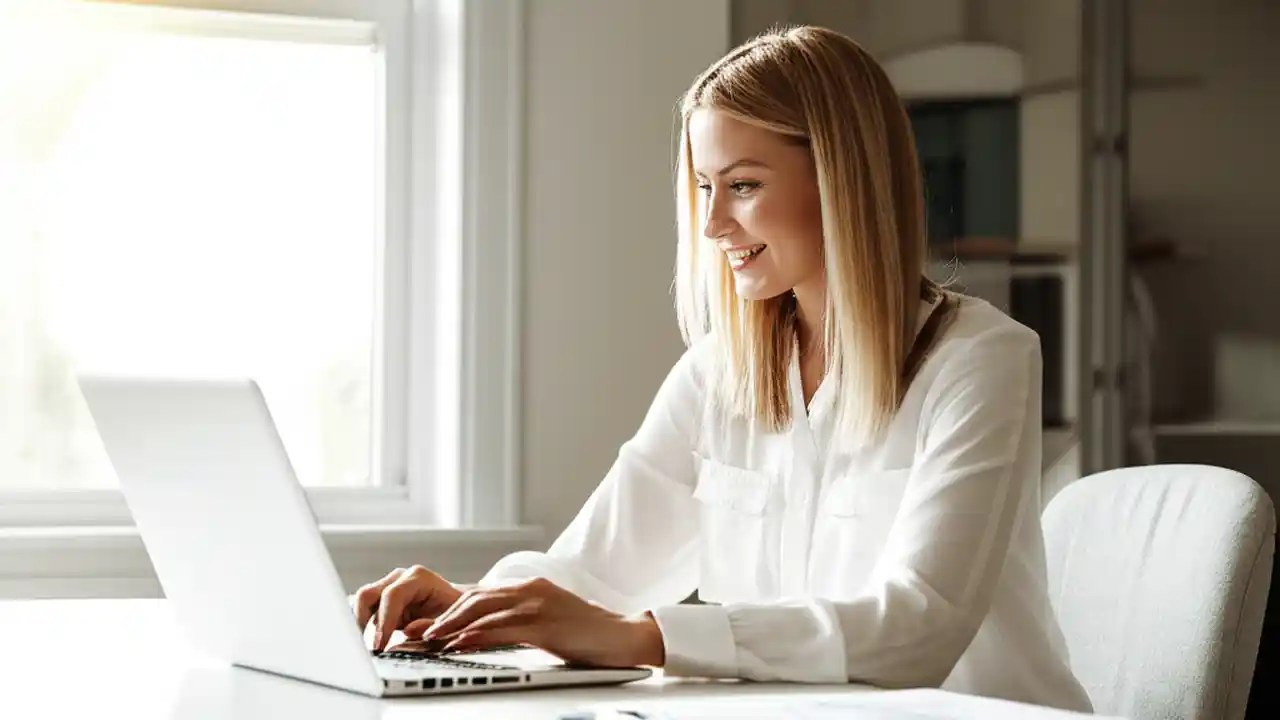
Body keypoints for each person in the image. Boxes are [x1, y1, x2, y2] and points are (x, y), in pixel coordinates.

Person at [351, 25, 1093, 712]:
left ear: (841, 179)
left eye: (742, 186)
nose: (712, 225)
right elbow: (595, 571)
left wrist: (646, 637)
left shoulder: (980, 361)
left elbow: (917, 626)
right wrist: (468, 604)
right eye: (705, 188)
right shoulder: (718, 375)